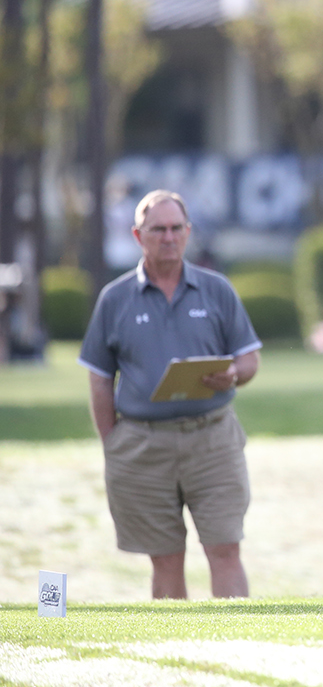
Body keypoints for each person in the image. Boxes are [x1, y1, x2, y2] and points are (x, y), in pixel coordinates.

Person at [79, 190, 262, 599]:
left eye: (177, 228)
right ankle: (176, 650)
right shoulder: (115, 298)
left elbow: (250, 358)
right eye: (157, 229)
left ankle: (238, 641)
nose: (168, 237)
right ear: (137, 235)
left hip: (213, 439)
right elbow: (98, 377)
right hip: (143, 445)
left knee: (225, 547)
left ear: (188, 232)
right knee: (164, 557)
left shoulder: (216, 290)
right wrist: (114, 443)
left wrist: (233, 373)